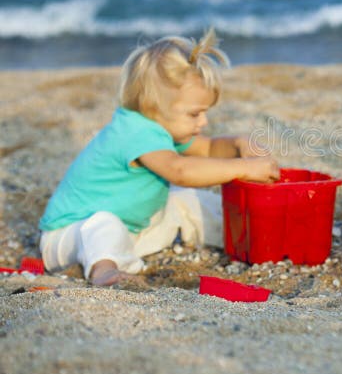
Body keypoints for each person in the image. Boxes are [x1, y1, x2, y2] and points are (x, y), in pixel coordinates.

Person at [38, 30, 280, 286]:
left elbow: (208, 149)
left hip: (132, 230)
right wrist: (242, 168)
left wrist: (239, 143)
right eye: (195, 114)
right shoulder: (134, 131)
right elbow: (181, 171)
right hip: (69, 236)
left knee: (185, 200)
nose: (204, 121)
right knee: (103, 224)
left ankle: (247, 235)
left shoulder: (160, 124)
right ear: (155, 106)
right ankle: (104, 271)